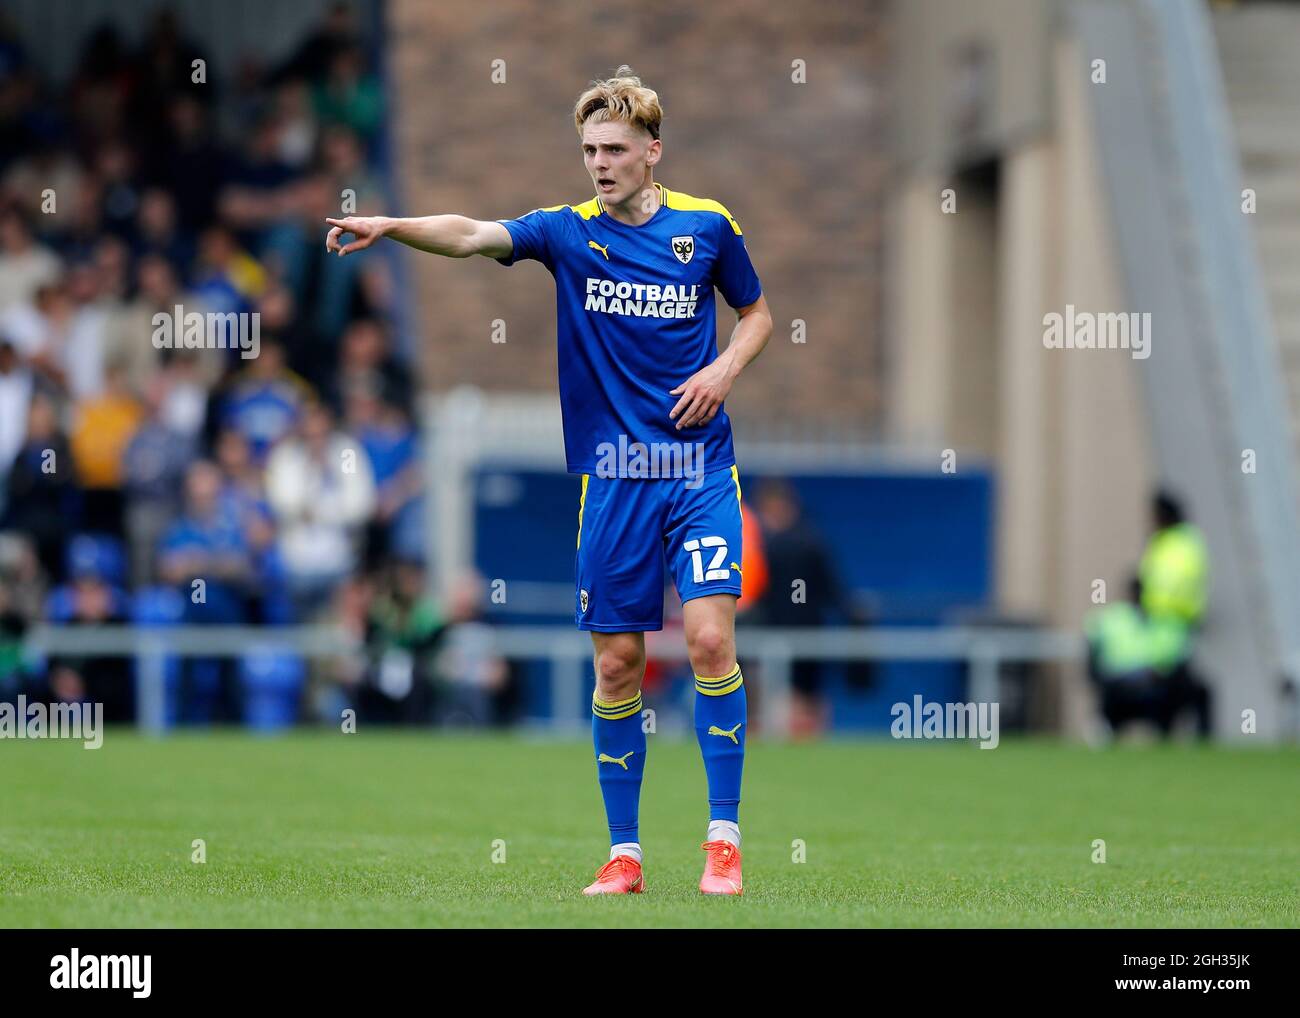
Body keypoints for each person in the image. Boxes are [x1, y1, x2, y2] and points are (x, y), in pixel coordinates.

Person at [324, 66, 772, 896]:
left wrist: (725, 371)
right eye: (589, 149)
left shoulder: (708, 227)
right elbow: (470, 234)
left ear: (652, 150)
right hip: (614, 479)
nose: (599, 163)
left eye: (613, 149)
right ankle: (626, 854)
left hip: (697, 468)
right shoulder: (568, 232)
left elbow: (758, 313)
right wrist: (393, 225)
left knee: (710, 641)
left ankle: (723, 839)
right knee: (617, 668)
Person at [1086, 577, 1212, 737]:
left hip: (1158, 685)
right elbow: (1094, 657)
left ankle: (1203, 743)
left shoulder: (1165, 619)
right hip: (1119, 686)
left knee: (1196, 690)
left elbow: (1178, 657)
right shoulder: (1111, 619)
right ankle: (1105, 731)